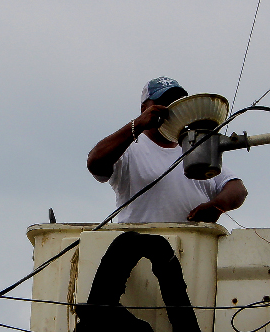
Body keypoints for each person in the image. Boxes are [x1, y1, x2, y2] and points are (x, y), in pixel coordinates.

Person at [87, 77, 248, 223]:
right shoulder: (129, 148)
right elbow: (95, 163)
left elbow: (237, 188)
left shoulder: (193, 147)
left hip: (194, 243)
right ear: (144, 109)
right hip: (139, 244)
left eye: (177, 103)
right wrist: (138, 124)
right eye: (163, 103)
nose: (170, 109)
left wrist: (217, 206)